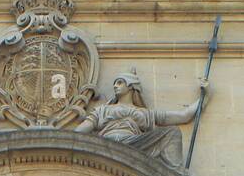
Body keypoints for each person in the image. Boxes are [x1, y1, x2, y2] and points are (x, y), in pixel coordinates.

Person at [75, 70, 209, 170]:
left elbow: (184, 116)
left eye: (120, 82)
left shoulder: (146, 113)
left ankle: (177, 174)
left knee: (173, 132)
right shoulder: (103, 109)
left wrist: (205, 96)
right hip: (106, 142)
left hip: (134, 143)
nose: (115, 86)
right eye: (115, 83)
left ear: (131, 86)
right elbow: (82, 129)